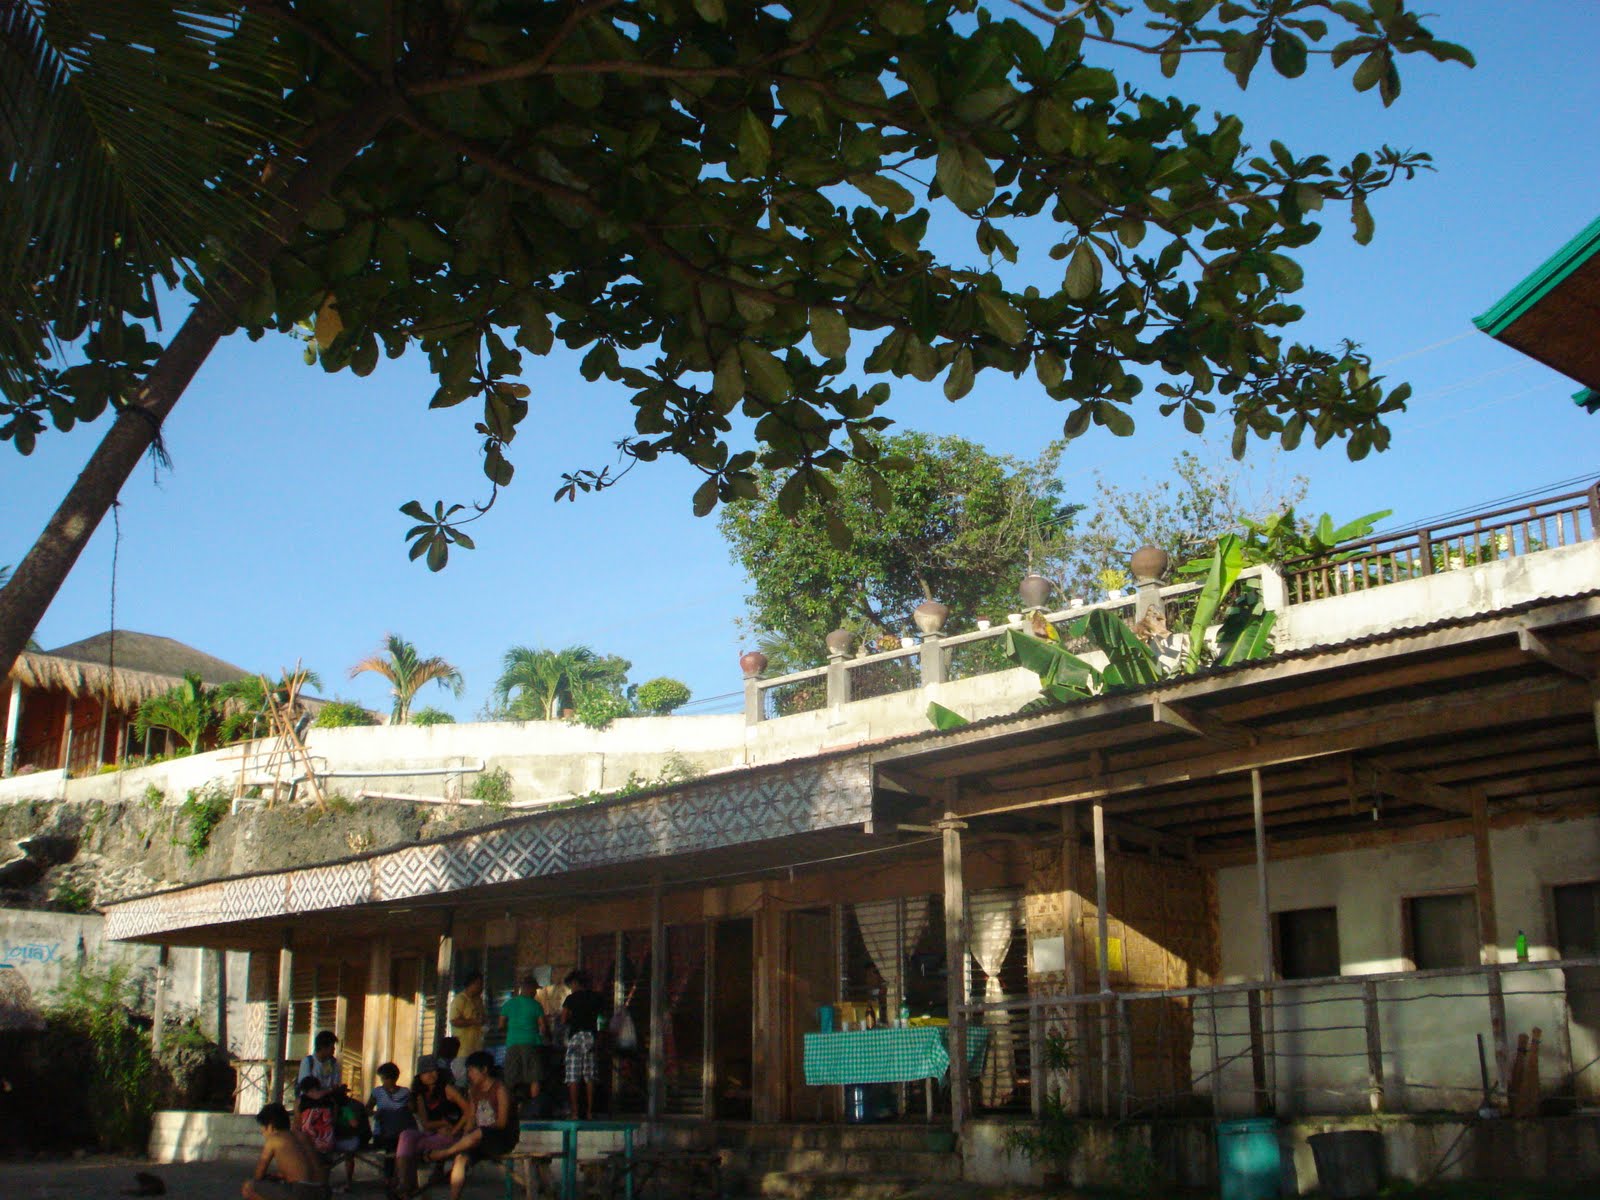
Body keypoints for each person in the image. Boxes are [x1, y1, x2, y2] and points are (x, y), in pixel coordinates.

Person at [425, 1051, 518, 1200]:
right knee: (460, 1159)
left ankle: (444, 1153)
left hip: (500, 1139)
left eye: (471, 1071)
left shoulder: (500, 1089)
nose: (469, 1075)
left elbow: (502, 1123)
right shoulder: (473, 1091)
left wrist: (476, 1133)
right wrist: (465, 1135)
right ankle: (454, 1198)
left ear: (484, 1070)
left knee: (478, 1132)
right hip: (479, 1140)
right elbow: (472, 1119)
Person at [392, 1055, 467, 1200]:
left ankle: (408, 1188)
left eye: (433, 1071)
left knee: (411, 1146)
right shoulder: (420, 1095)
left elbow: (468, 1111)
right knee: (406, 1135)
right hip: (433, 1134)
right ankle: (404, 1184)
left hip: (452, 1136)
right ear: (420, 1076)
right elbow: (426, 1124)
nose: (430, 1075)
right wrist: (443, 1123)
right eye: (426, 1072)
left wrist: (454, 1129)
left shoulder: (447, 1089)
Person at [244, 1102, 329, 1200]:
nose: (262, 1132)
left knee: (250, 1187)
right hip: (323, 1191)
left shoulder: (274, 1139)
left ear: (270, 1126)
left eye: (263, 1128)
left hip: (301, 1192)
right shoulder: (303, 1136)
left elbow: (258, 1175)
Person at [559, 970, 605, 1120]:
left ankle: (575, 1112)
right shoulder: (596, 997)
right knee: (589, 1076)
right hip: (591, 1037)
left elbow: (563, 1019)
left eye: (571, 985)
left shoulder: (571, 998)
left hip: (576, 1037)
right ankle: (590, 1112)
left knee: (573, 1075)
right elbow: (602, 1019)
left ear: (575, 983)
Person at [498, 973, 548, 1104]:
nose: (535, 993)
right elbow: (543, 1027)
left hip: (512, 1043)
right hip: (531, 1043)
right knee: (534, 1078)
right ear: (529, 988)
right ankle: (534, 1106)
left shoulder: (509, 1004)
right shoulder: (536, 1005)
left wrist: (512, 1032)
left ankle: (509, 1106)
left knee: (510, 1078)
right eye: (535, 990)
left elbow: (501, 1025)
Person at [367, 1061, 414, 1157]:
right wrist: (376, 1113)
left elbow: (411, 1110)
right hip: (381, 1133)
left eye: (385, 1078)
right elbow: (368, 1109)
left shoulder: (405, 1092)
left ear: (394, 1078)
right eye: (383, 1079)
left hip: (400, 1133)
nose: (384, 1081)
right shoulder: (377, 1092)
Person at [298, 1031, 344, 1102]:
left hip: (328, 1101)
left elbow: (335, 1084)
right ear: (323, 1047)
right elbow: (305, 1088)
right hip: (310, 1102)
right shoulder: (308, 1062)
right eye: (331, 1047)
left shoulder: (334, 1064)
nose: (334, 1049)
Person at [447, 973, 487, 1056]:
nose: (481, 987)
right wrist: (473, 1022)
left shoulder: (478, 1000)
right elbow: (454, 1021)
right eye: (478, 984)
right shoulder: (460, 999)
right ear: (471, 984)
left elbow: (483, 1016)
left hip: (477, 1047)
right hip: (462, 1049)